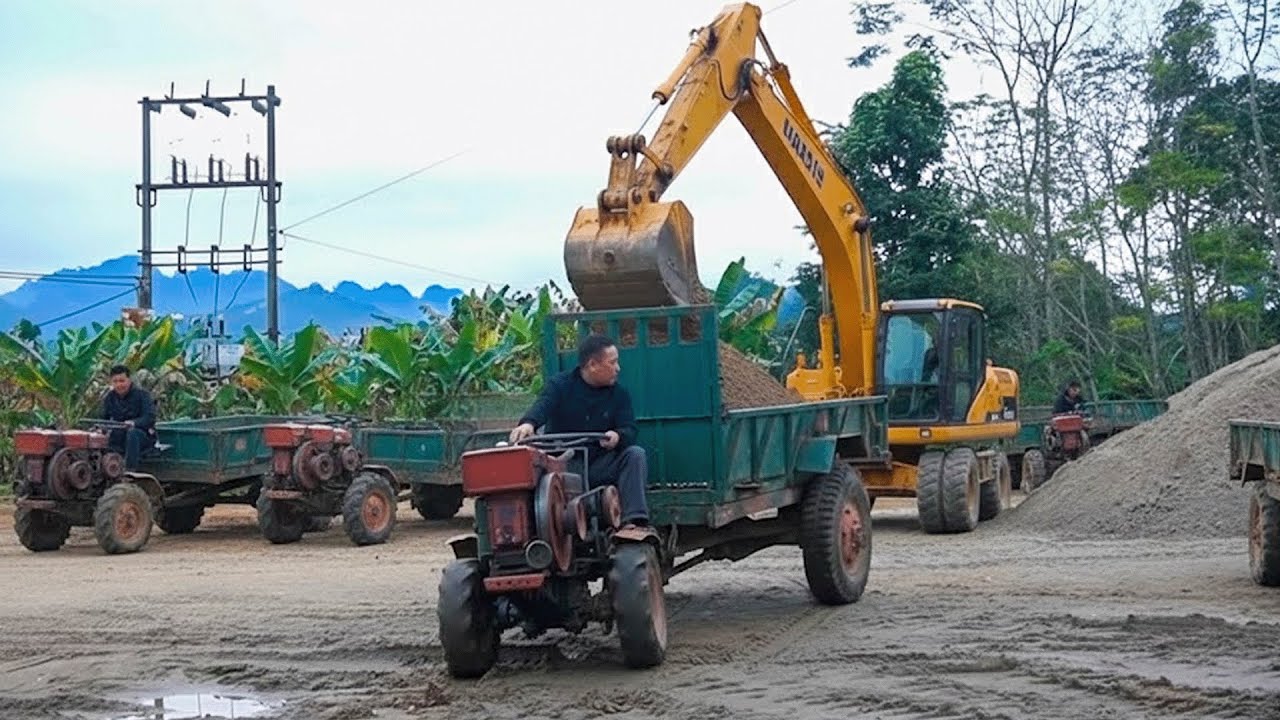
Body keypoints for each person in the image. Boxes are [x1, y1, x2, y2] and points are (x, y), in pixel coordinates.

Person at [509, 335, 650, 529]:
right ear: (592, 365)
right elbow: (543, 406)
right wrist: (528, 424)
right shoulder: (559, 386)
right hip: (561, 467)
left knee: (635, 454)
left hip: (598, 467)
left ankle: (634, 522)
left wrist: (618, 436)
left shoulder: (619, 394)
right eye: (613, 362)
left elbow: (629, 429)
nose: (618, 368)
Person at [102, 365, 156, 471]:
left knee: (132, 433)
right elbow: (104, 418)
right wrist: (100, 429)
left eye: (122, 381)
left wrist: (133, 423)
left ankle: (129, 470)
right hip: (119, 435)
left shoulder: (142, 395)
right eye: (115, 381)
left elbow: (149, 417)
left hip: (142, 437)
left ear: (129, 380)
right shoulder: (110, 397)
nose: (119, 385)